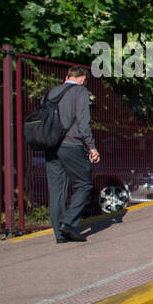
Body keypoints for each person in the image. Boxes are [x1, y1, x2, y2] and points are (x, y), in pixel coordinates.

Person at [45, 64, 100, 243]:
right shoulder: (80, 92)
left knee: (56, 191)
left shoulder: (51, 93)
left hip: (51, 145)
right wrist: (91, 146)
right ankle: (68, 224)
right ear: (82, 78)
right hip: (71, 144)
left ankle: (60, 236)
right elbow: (84, 122)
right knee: (84, 184)